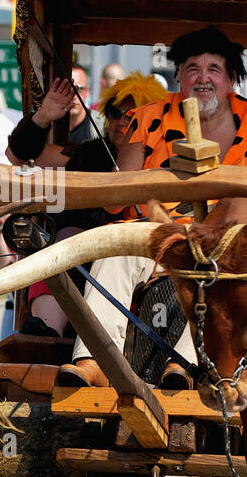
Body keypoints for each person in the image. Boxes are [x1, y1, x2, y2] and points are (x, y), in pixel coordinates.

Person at [57, 26, 247, 390]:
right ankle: (93, 361)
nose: (203, 77)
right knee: (114, 251)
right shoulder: (147, 118)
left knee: (223, 265)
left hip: (227, 241)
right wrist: (168, 176)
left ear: (231, 79)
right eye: (193, 67)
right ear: (179, 76)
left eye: (214, 68)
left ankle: (184, 366)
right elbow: (116, 198)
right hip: (157, 233)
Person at [9, 74, 170, 338]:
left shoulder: (168, 159)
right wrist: (43, 117)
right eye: (116, 114)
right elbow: (19, 158)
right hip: (80, 263)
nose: (122, 122)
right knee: (61, 242)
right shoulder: (90, 153)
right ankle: (47, 330)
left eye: (132, 116)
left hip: (143, 267)